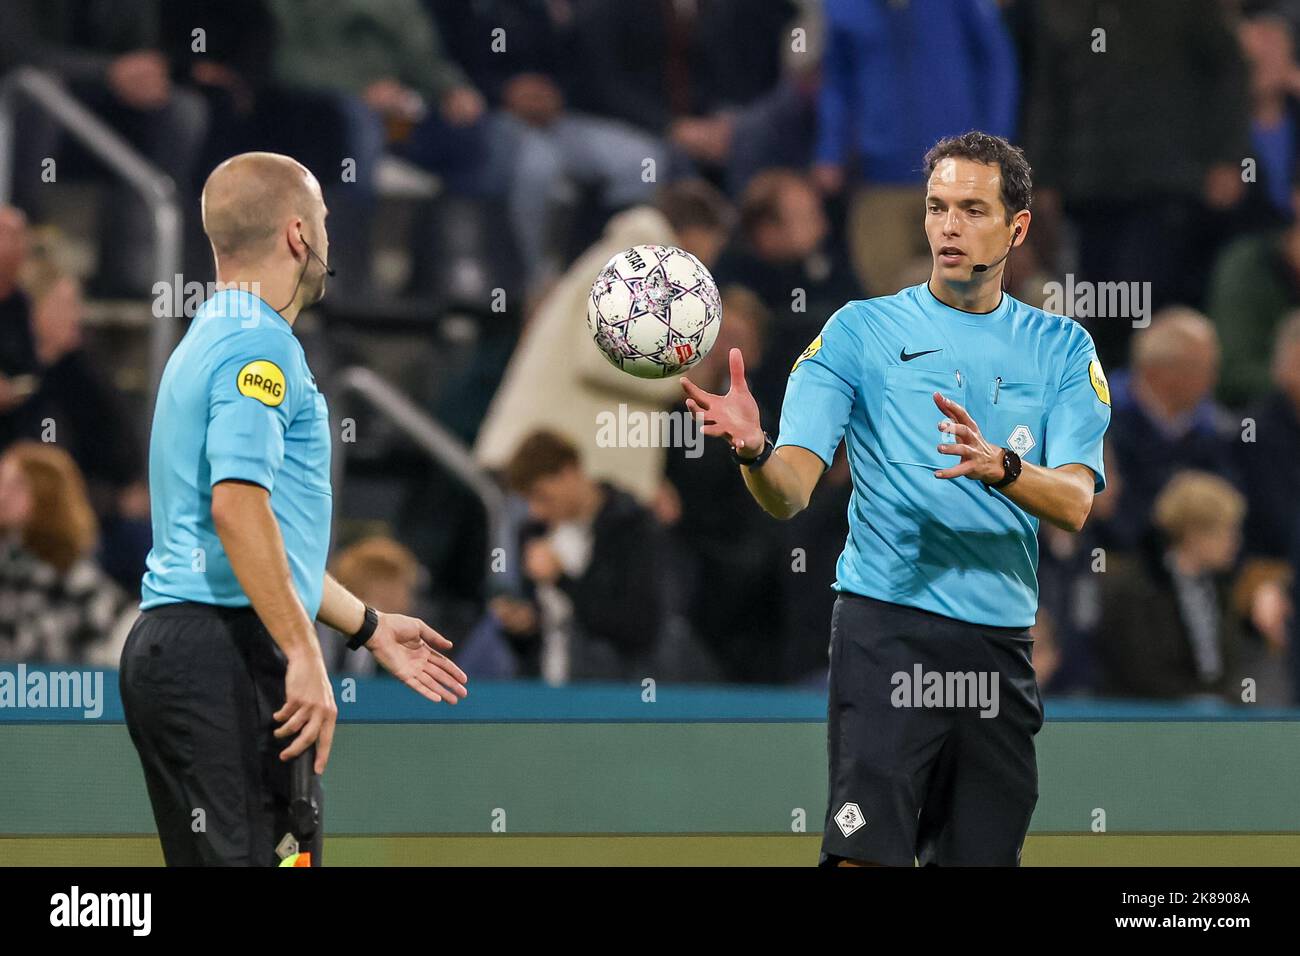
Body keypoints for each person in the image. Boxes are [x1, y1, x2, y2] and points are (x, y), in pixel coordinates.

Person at [682, 132, 1111, 866]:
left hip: (998, 642)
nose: (948, 225)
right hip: (886, 630)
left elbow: (1074, 501)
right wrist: (754, 449)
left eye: (972, 209)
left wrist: (1004, 468)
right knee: (862, 856)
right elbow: (788, 493)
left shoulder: (1063, 349)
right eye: (937, 207)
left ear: (1018, 227)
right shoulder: (858, 331)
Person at [118, 152, 468, 867]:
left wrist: (365, 625)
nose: (330, 238)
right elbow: (238, 510)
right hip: (225, 654)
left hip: (180, 646)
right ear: (298, 236)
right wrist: (307, 653)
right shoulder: (262, 350)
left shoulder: (209, 335)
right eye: (327, 222)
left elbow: (260, 538)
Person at [474, 179, 732, 505]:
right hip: (541, 464)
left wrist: (645, 483)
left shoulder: (628, 259)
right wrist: (680, 381)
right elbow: (600, 358)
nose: (710, 262)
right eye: (714, 246)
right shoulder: (643, 267)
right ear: (698, 234)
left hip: (550, 459)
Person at [498, 430, 670, 683]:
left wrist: (562, 580)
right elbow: (531, 640)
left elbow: (639, 627)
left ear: (569, 472)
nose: (536, 511)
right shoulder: (533, 533)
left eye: (542, 496)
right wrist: (521, 625)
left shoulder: (631, 525)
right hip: (543, 690)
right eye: (529, 501)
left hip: (610, 693)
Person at [1095, 472, 1249, 701]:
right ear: (1195, 533)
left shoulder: (1221, 589)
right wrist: (1192, 700)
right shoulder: (1137, 587)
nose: (1236, 541)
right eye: (1226, 530)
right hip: (1148, 719)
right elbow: (1138, 667)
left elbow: (1229, 666)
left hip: (1213, 719)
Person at [0, 441, 134, 665]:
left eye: (16, 486)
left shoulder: (81, 586)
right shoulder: (5, 570)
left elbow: (101, 675)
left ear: (47, 495)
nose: (2, 496)